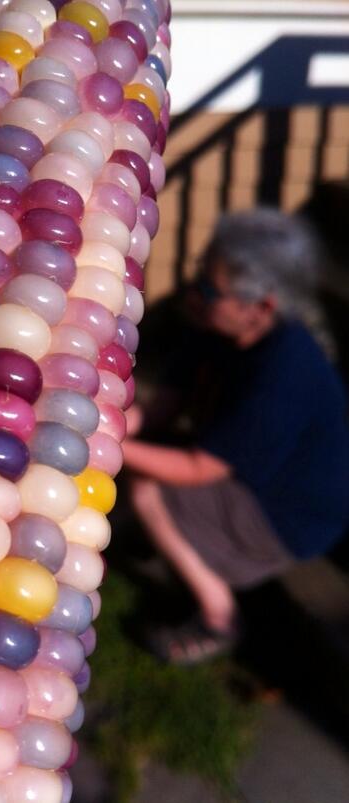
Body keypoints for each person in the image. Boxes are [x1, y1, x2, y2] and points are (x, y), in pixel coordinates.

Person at [122, 208, 349, 664]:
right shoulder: (214, 327)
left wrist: (104, 445)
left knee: (147, 488)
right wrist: (102, 424)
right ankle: (172, 540)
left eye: (209, 288)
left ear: (260, 306)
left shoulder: (285, 376)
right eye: (198, 274)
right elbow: (161, 410)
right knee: (140, 466)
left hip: (286, 520)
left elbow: (196, 469)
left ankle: (218, 614)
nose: (193, 293)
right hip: (240, 477)